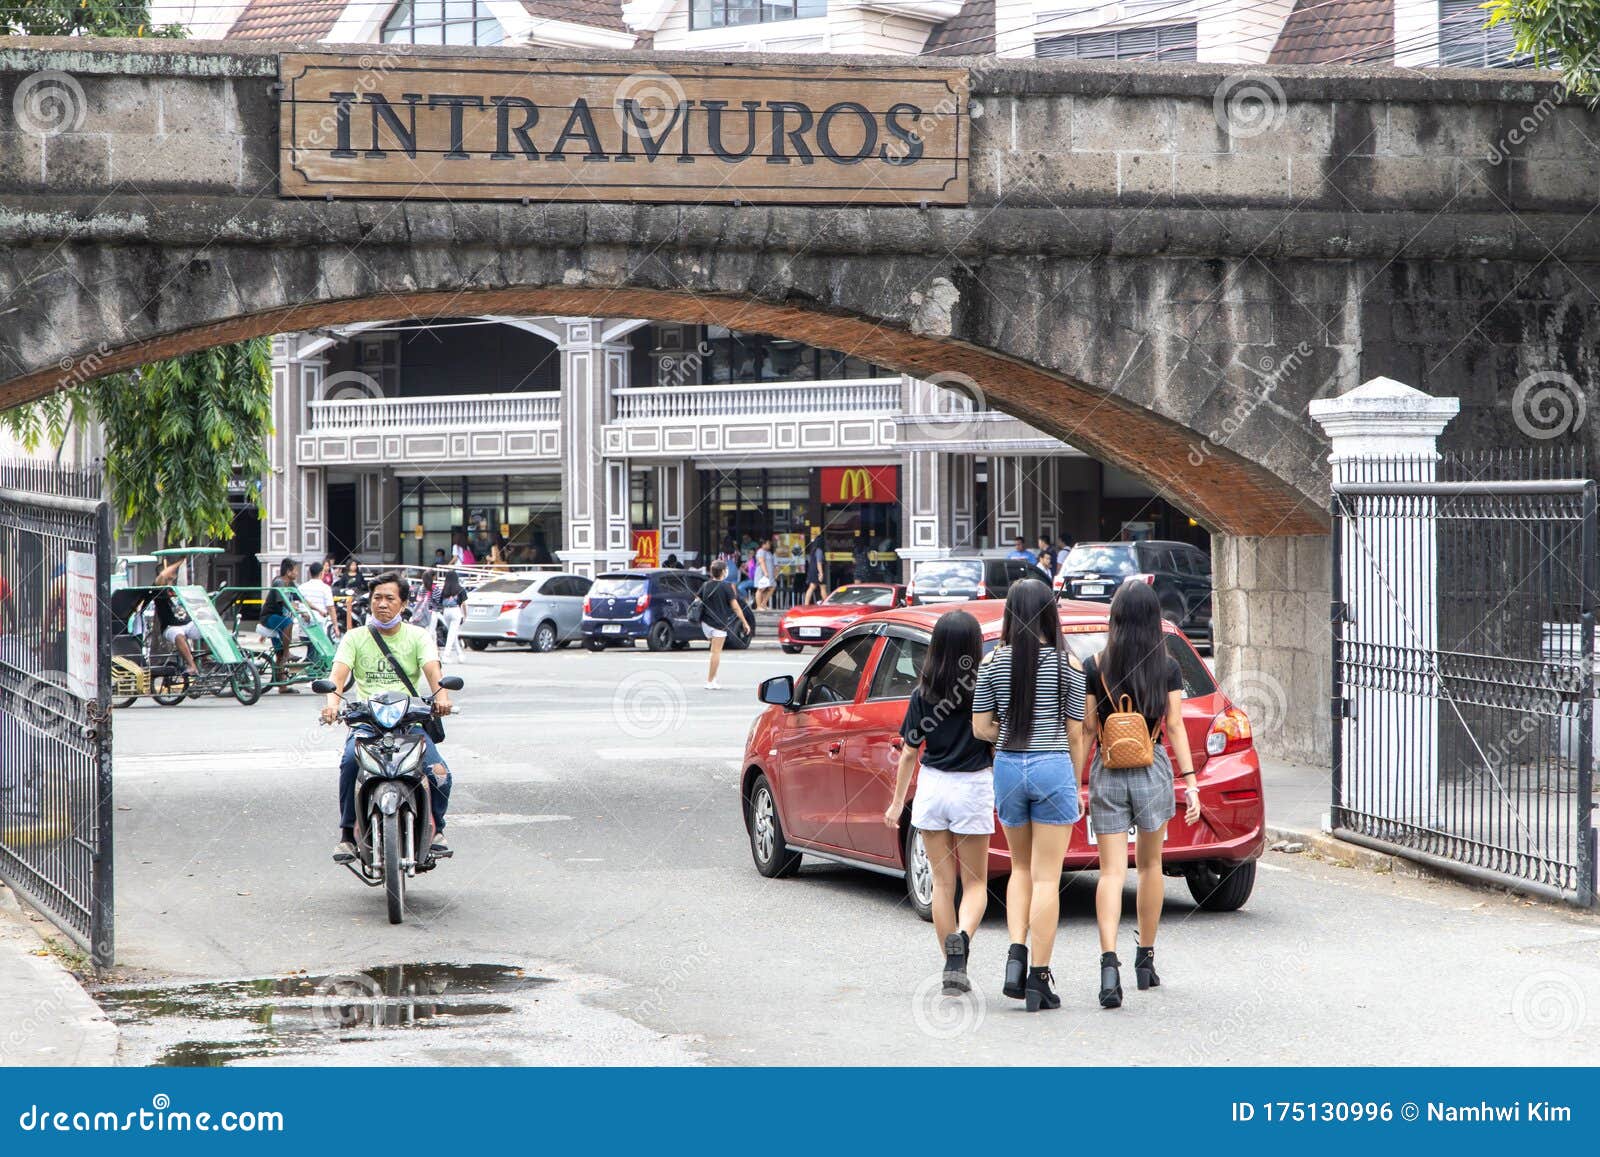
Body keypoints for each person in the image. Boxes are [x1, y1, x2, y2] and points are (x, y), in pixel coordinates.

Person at [1082, 580, 1200, 1009]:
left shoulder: (1094, 665)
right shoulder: (1166, 667)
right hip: (1153, 770)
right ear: (1153, 619)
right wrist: (1190, 782)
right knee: (1151, 866)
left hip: (1108, 771)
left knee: (1111, 872)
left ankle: (1108, 963)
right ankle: (1145, 960)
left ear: (1115, 618)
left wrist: (1078, 781)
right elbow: (1174, 727)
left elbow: (1090, 730)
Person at [972, 578, 1089, 1012]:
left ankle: (1014, 958)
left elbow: (980, 727)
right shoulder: (1068, 664)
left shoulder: (993, 662)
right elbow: (1076, 733)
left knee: (1019, 869)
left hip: (1006, 768)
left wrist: (1010, 736)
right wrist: (1075, 784)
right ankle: (1039, 978)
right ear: (1048, 613)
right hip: (1052, 767)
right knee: (1046, 878)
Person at [882, 610, 993, 994]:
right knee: (975, 883)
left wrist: (898, 804)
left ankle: (952, 968)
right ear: (975, 647)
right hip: (973, 786)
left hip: (932, 788)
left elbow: (910, 753)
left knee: (943, 886)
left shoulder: (923, 695)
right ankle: (963, 937)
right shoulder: (983, 689)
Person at [320, 572, 455, 863]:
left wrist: (441, 696)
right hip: (367, 722)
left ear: (403, 604)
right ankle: (346, 835)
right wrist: (332, 703)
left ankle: (438, 830)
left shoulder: (418, 636)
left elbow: (433, 671)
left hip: (410, 722)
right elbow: (338, 676)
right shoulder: (355, 638)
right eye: (377, 598)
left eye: (389, 598)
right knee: (348, 763)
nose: (382, 604)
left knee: (439, 773)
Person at [697, 559, 750, 691]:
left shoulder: (705, 585)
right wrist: (745, 622)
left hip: (705, 624)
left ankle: (713, 678)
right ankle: (709, 681)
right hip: (719, 625)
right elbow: (736, 607)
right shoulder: (727, 587)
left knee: (714, 651)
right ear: (723, 572)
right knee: (716, 653)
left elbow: (697, 601)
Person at [152, 557, 201, 676]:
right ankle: (192, 665)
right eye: (171, 571)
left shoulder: (177, 589)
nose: (173, 573)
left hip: (187, 623)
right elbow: (163, 576)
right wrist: (180, 561)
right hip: (171, 627)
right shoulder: (157, 589)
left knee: (208, 628)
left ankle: (213, 658)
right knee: (179, 636)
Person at [261, 558, 301, 693]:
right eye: (295, 570)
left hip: (279, 619)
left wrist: (316, 610)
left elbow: (300, 598)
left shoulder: (291, 584)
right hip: (269, 617)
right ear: (289, 571)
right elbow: (284, 602)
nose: (297, 573)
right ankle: (287, 652)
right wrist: (294, 607)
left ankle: (282, 686)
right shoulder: (279, 582)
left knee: (278, 654)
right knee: (288, 623)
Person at [432, 565, 467, 662]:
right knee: (452, 634)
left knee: (452, 633)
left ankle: (460, 655)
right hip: (456, 611)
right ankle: (446, 656)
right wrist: (465, 615)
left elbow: (440, 601)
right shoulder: (460, 589)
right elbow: (464, 604)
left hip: (446, 611)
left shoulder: (444, 590)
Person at [299, 561, 336, 633]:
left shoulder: (301, 587)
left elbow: (297, 604)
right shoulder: (326, 588)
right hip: (320, 626)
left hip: (304, 628)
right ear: (321, 573)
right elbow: (331, 608)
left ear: (310, 573)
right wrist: (335, 626)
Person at [754, 535, 777, 610]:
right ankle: (758, 606)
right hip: (762, 573)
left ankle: (763, 603)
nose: (769, 544)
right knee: (761, 589)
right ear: (763, 544)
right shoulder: (760, 551)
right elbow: (761, 562)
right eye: (768, 543)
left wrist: (774, 572)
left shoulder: (769, 552)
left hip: (769, 574)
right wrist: (765, 572)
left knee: (771, 587)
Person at [803, 537, 825, 605]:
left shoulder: (813, 551)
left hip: (812, 571)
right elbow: (819, 562)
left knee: (812, 587)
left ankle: (806, 604)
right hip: (817, 571)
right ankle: (826, 603)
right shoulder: (819, 551)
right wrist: (821, 573)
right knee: (823, 587)